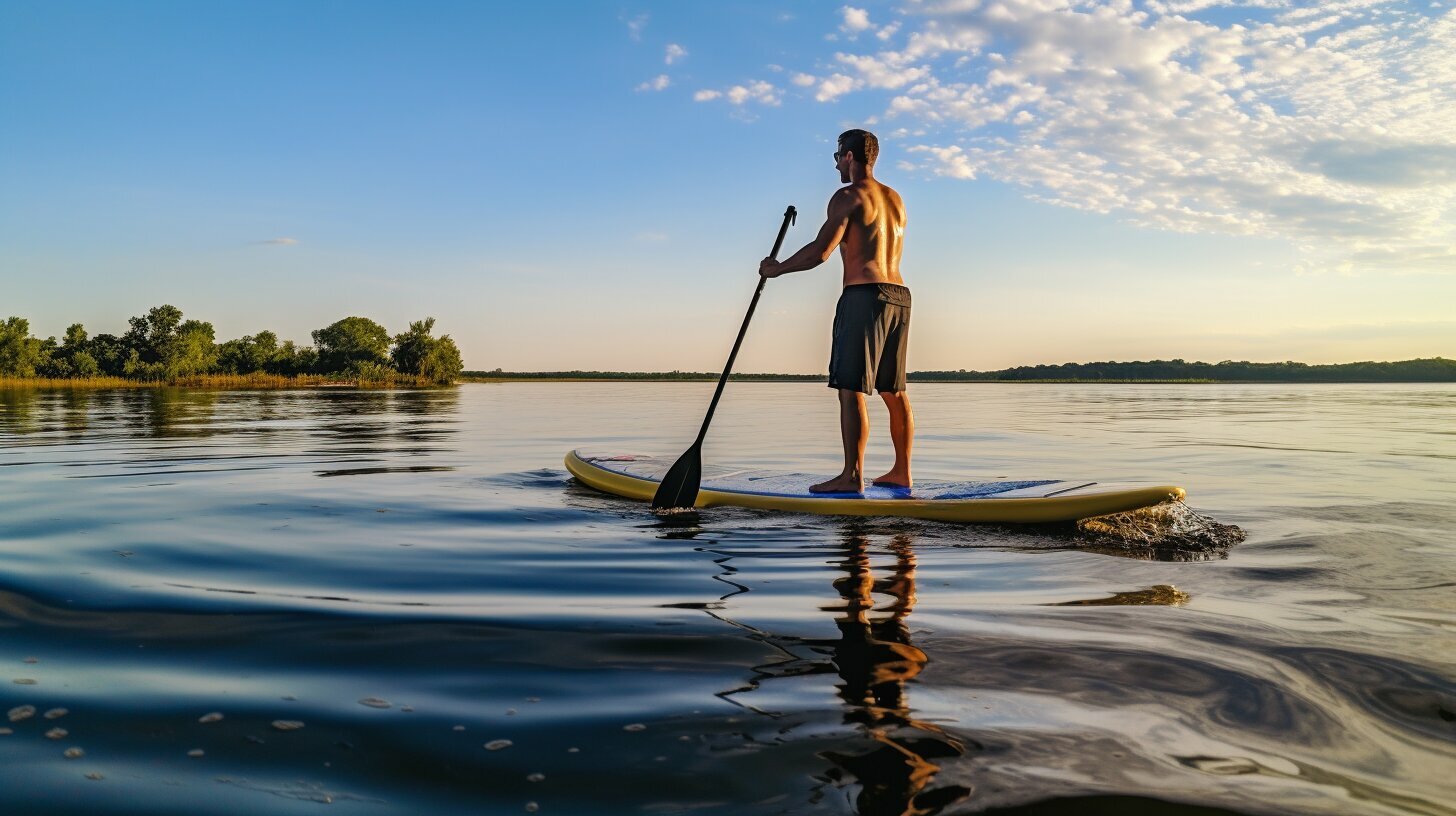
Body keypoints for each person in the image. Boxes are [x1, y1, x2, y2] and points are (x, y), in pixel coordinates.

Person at [759, 129, 913, 493]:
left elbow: (820, 252)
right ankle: (901, 471)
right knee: (893, 391)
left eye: (836, 157)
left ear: (849, 156)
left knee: (851, 388)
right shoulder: (895, 199)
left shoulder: (848, 196)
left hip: (864, 295)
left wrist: (776, 269)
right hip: (900, 295)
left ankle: (852, 476)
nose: (835, 164)